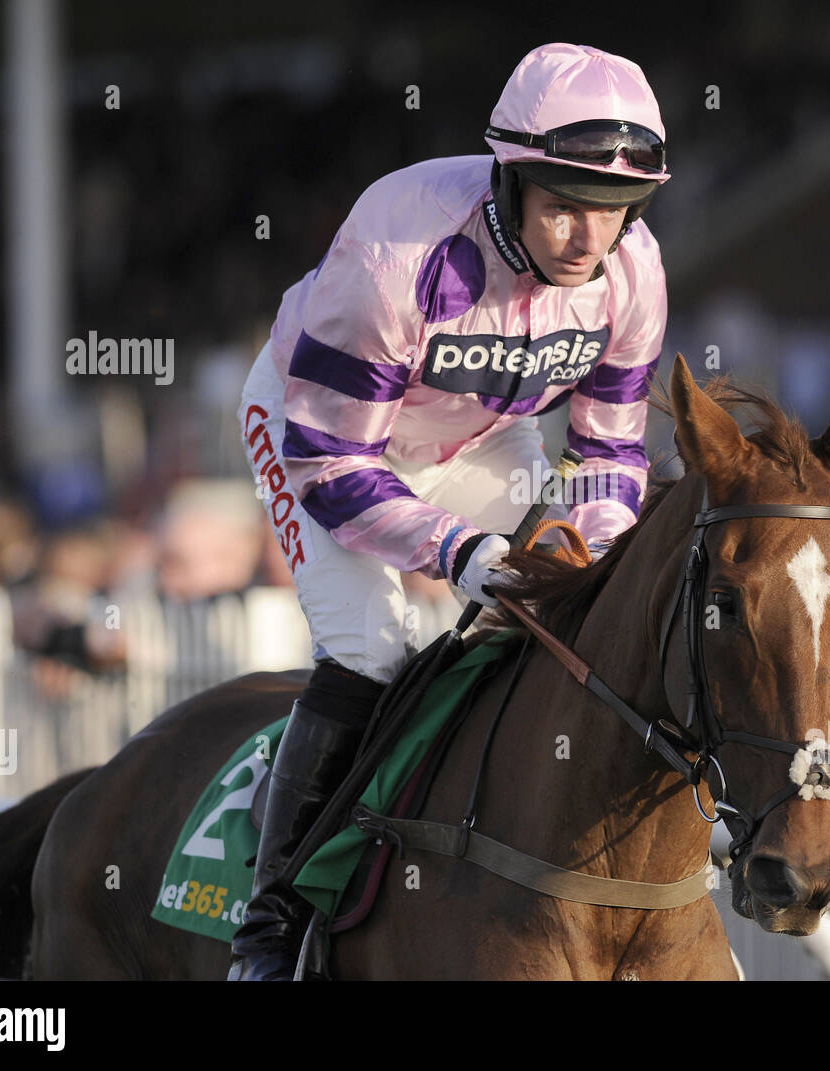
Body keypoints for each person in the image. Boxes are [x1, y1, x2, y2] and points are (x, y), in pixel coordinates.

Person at [228, 43, 671, 980]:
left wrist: (579, 557)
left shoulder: (635, 272)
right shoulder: (401, 241)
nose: (589, 239)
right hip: (322, 429)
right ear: (510, 179)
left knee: (551, 622)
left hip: (470, 442)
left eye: (614, 210)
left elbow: (609, 455)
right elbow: (332, 461)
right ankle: (269, 927)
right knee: (374, 649)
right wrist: (454, 549)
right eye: (563, 206)